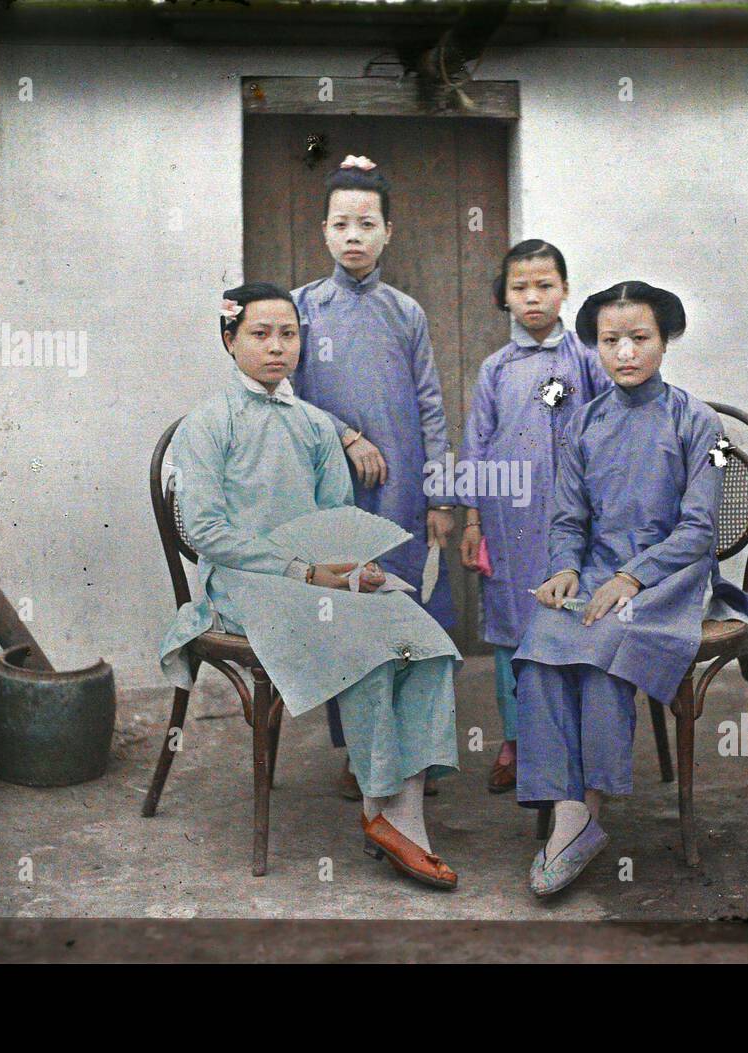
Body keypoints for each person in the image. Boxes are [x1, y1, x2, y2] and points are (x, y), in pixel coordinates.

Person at [159, 282, 461, 890]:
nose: (277, 348)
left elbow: (333, 517)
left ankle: (400, 812)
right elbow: (208, 530)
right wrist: (301, 571)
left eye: (289, 335)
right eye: (259, 334)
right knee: (364, 641)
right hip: (243, 584)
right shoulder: (208, 423)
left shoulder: (315, 426)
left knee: (423, 638)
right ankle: (386, 815)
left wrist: (352, 567)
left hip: (313, 580)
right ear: (229, 340)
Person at [512, 281, 748, 897]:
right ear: (594, 346)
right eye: (610, 340)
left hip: (668, 582)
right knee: (541, 644)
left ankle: (585, 813)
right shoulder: (584, 422)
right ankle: (570, 810)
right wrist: (566, 568)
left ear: (664, 341)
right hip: (596, 576)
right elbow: (569, 519)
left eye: (639, 338)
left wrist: (633, 576)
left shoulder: (698, 422)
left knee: (604, 646)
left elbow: (700, 529)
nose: (625, 353)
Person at [291, 156, 456, 799]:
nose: (354, 235)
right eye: (341, 223)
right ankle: (361, 754)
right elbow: (290, 398)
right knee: (348, 615)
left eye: (368, 223)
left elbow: (431, 404)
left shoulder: (405, 313)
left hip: (404, 489)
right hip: (337, 490)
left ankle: (415, 755)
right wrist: (346, 435)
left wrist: (440, 494)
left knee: (408, 611)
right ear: (325, 232)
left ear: (388, 231)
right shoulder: (304, 308)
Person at [459, 239, 610, 793]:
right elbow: (475, 449)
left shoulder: (589, 362)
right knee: (512, 629)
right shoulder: (496, 369)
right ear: (505, 298)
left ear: (565, 290)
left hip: (574, 520)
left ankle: (568, 744)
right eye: (520, 288)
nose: (533, 297)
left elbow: (607, 433)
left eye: (545, 285)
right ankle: (517, 740)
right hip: (508, 521)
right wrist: (474, 521)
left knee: (569, 620)